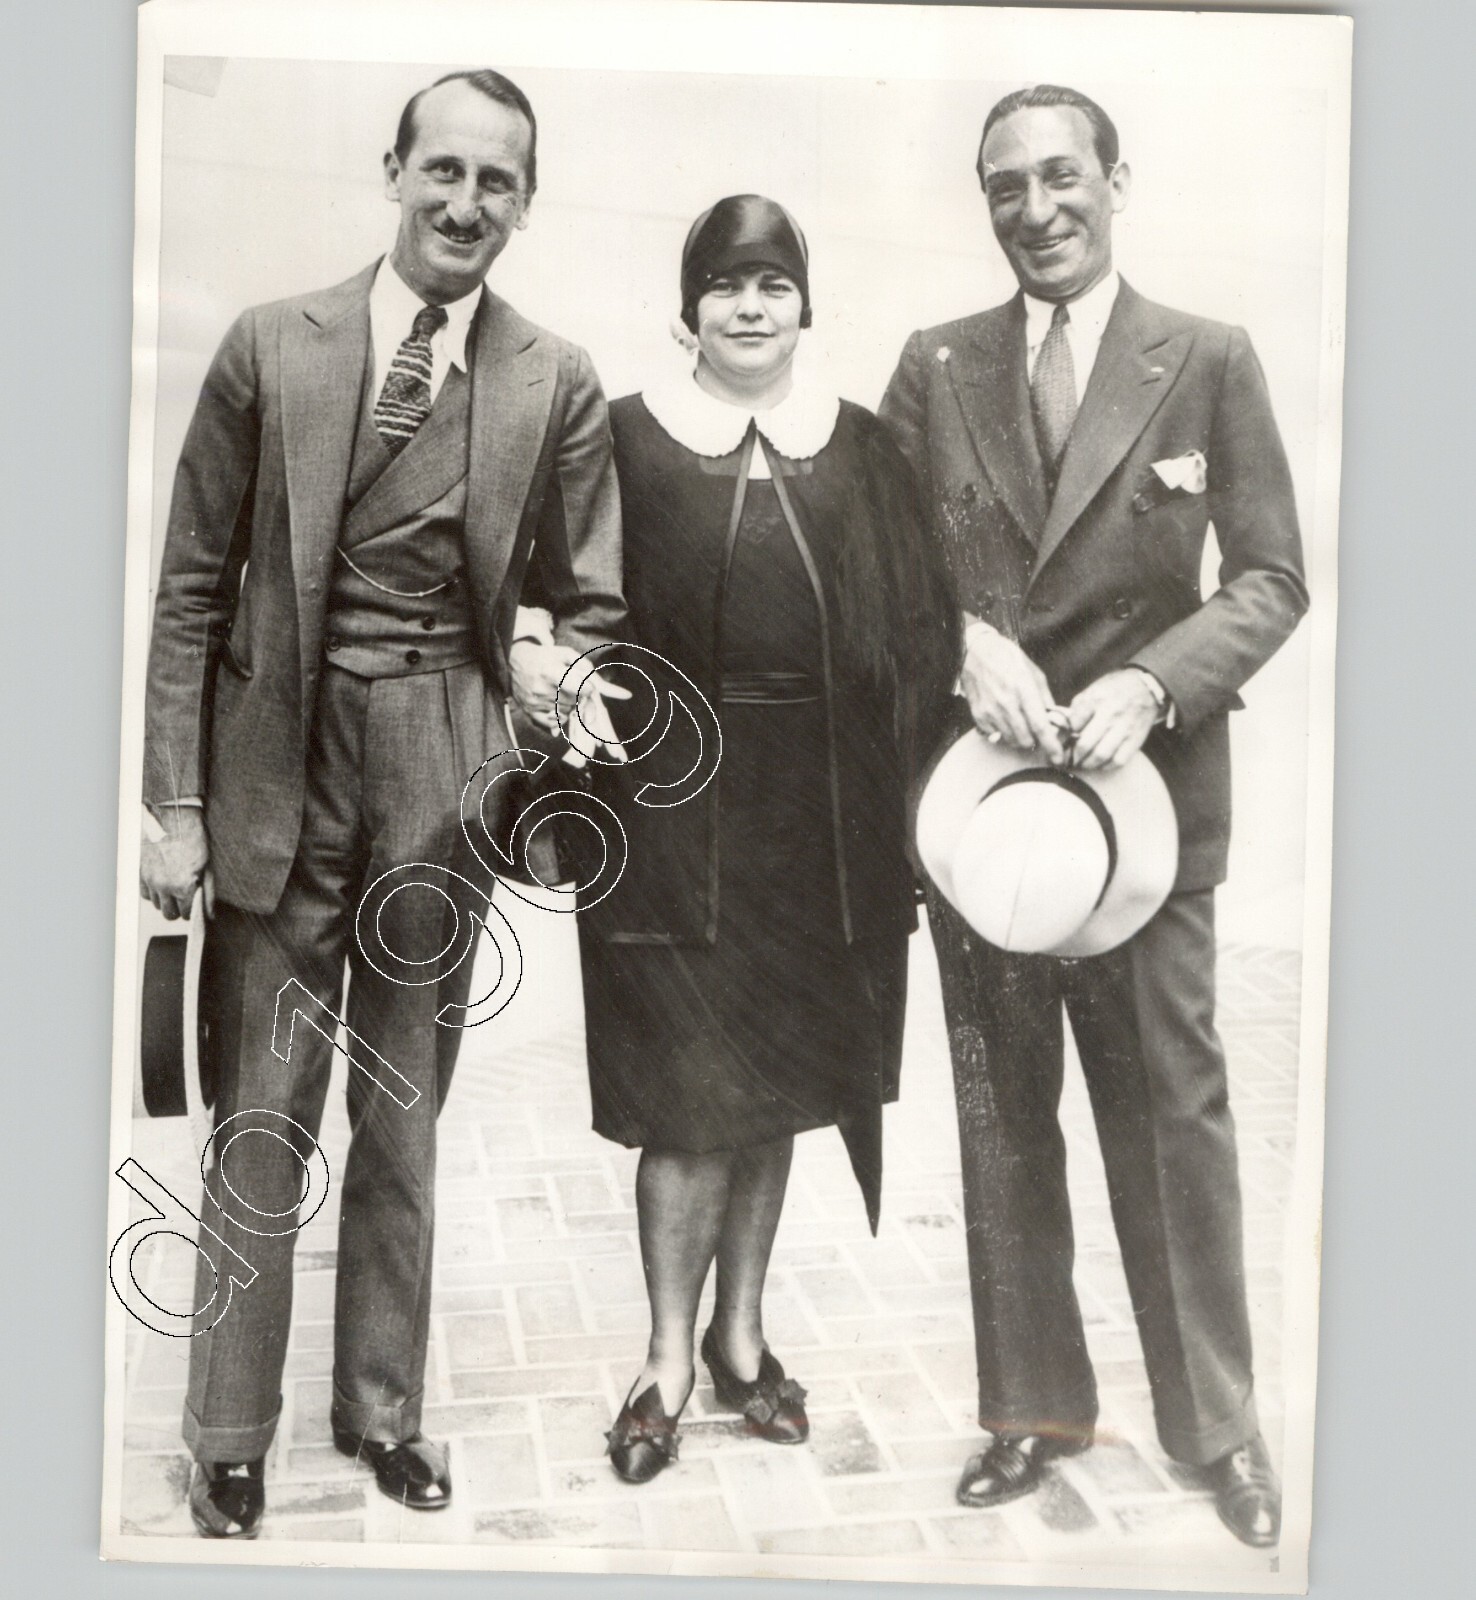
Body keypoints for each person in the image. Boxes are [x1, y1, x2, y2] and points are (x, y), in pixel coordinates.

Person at [139, 69, 624, 1538]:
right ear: (395, 169)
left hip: (442, 777)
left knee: (401, 1115)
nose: (468, 204)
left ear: (526, 201)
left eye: (500, 182)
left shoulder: (557, 379)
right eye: (446, 171)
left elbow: (587, 600)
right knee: (260, 1114)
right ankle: (229, 1433)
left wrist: (545, 660)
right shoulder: (267, 348)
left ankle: (383, 1414)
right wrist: (175, 805)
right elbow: (183, 596)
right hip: (280, 766)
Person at [879, 85, 1308, 1547]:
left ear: (1118, 179)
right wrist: (956, 642)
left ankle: (1215, 1429)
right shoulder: (935, 366)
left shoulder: (1208, 358)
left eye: (1064, 176)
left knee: (1172, 1119)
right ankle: (1033, 1410)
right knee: (1007, 1123)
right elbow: (879, 568)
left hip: (1150, 822)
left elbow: (1271, 576)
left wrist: (1152, 680)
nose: (1037, 208)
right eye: (1006, 186)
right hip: (988, 817)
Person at [574, 195, 957, 1483]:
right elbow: (556, 613)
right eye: (726, 285)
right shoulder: (619, 438)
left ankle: (742, 1344)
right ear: (686, 309)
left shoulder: (859, 449)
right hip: (668, 814)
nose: (750, 307)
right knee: (687, 1104)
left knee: (780, 1088)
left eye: (773, 285)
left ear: (806, 307)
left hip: (818, 825)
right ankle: (666, 1361)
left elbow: (918, 630)